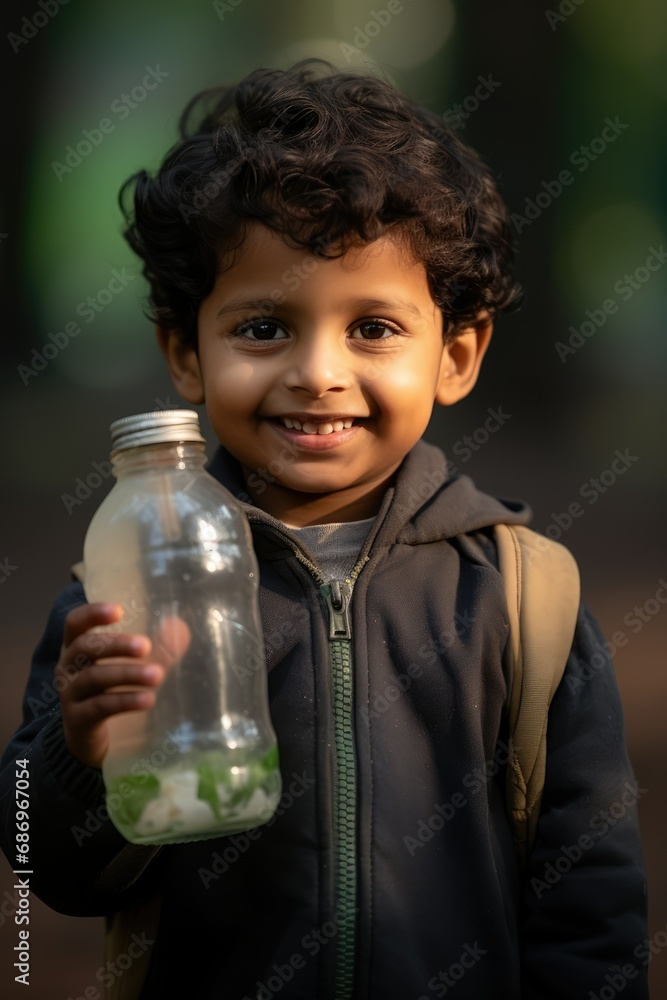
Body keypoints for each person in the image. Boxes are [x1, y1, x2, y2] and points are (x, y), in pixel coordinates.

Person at [0, 59, 648, 999]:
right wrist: (76, 747)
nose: (317, 372)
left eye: (374, 328)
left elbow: (592, 898)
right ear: (185, 353)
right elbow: (41, 864)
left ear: (455, 354)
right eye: (262, 328)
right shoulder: (121, 590)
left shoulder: (523, 595)